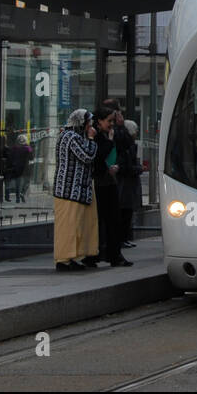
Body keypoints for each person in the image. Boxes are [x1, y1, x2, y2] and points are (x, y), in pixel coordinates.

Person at [54, 109, 100, 271]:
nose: (91, 127)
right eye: (89, 124)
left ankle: (73, 256)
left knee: (78, 225)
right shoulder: (70, 137)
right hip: (68, 189)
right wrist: (91, 139)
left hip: (77, 189)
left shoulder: (75, 137)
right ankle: (64, 258)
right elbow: (87, 155)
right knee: (68, 226)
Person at [93, 101, 131, 266]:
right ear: (99, 121)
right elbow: (98, 156)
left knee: (114, 220)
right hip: (99, 182)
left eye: (113, 121)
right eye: (109, 121)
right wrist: (109, 141)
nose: (111, 124)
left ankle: (114, 254)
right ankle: (98, 252)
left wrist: (121, 128)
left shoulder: (112, 133)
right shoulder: (95, 136)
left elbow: (126, 144)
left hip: (109, 181)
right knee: (101, 220)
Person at [116, 117, 142, 250]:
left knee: (127, 213)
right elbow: (127, 166)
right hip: (126, 185)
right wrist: (139, 169)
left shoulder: (129, 146)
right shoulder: (127, 147)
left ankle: (125, 238)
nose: (137, 133)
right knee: (125, 213)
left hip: (127, 185)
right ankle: (123, 238)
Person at [7, 134, 33, 203]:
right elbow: (31, 158)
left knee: (18, 184)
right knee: (27, 182)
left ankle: (17, 198)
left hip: (16, 168)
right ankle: (23, 192)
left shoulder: (14, 148)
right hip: (25, 168)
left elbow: (10, 158)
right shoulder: (28, 148)